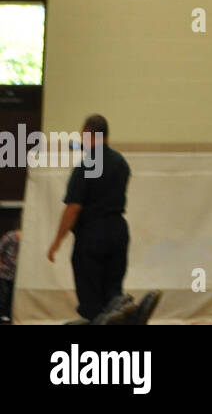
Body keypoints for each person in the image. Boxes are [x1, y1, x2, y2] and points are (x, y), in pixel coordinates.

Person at [47, 115, 131, 322]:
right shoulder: (121, 163)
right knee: (113, 295)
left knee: (91, 298)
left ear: (88, 134)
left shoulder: (87, 165)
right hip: (118, 231)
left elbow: (73, 208)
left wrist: (57, 241)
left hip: (92, 235)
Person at [0, 224, 18, 321]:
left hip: (17, 275)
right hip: (4, 272)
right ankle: (2, 314)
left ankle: (9, 315)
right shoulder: (10, 236)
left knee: (12, 295)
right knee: (3, 294)